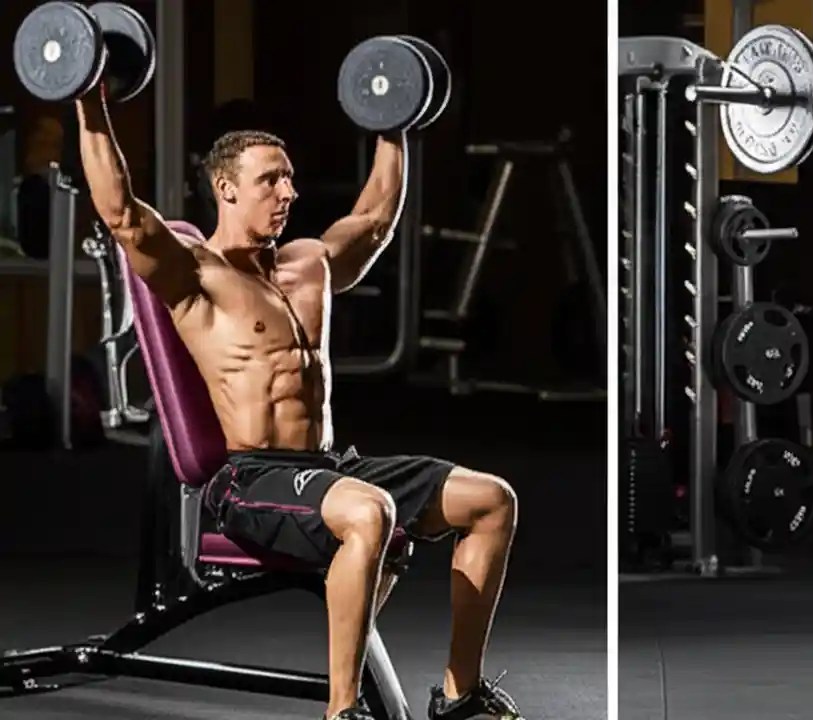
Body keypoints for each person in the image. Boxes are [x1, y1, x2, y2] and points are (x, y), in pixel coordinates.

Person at [74, 81, 523, 720]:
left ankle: (459, 694)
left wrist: (392, 123)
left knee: (490, 501)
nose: (289, 193)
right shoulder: (194, 276)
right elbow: (120, 212)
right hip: (249, 477)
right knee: (371, 513)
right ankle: (342, 711)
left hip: (332, 467)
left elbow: (372, 221)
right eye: (270, 182)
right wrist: (89, 101)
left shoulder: (309, 265)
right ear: (226, 189)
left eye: (290, 180)